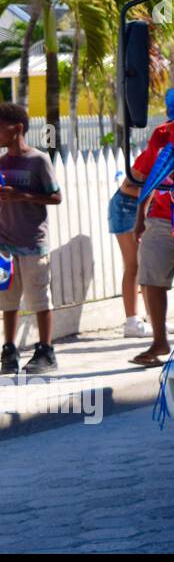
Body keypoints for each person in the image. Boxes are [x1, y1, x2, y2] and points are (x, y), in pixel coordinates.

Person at [0, 103, 63, 375]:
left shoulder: (38, 160)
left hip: (33, 242)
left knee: (39, 297)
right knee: (7, 299)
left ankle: (46, 350)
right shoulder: (1, 162)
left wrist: (21, 195)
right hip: (5, 243)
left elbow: (56, 197)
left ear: (18, 128)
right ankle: (9, 349)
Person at [128, 123, 174, 367]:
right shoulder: (163, 133)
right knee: (150, 279)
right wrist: (140, 219)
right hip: (161, 218)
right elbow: (151, 175)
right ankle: (160, 341)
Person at [108, 169, 148, 337]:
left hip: (143, 209)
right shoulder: (151, 157)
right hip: (126, 207)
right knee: (133, 266)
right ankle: (131, 321)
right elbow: (128, 186)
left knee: (148, 266)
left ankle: (153, 317)